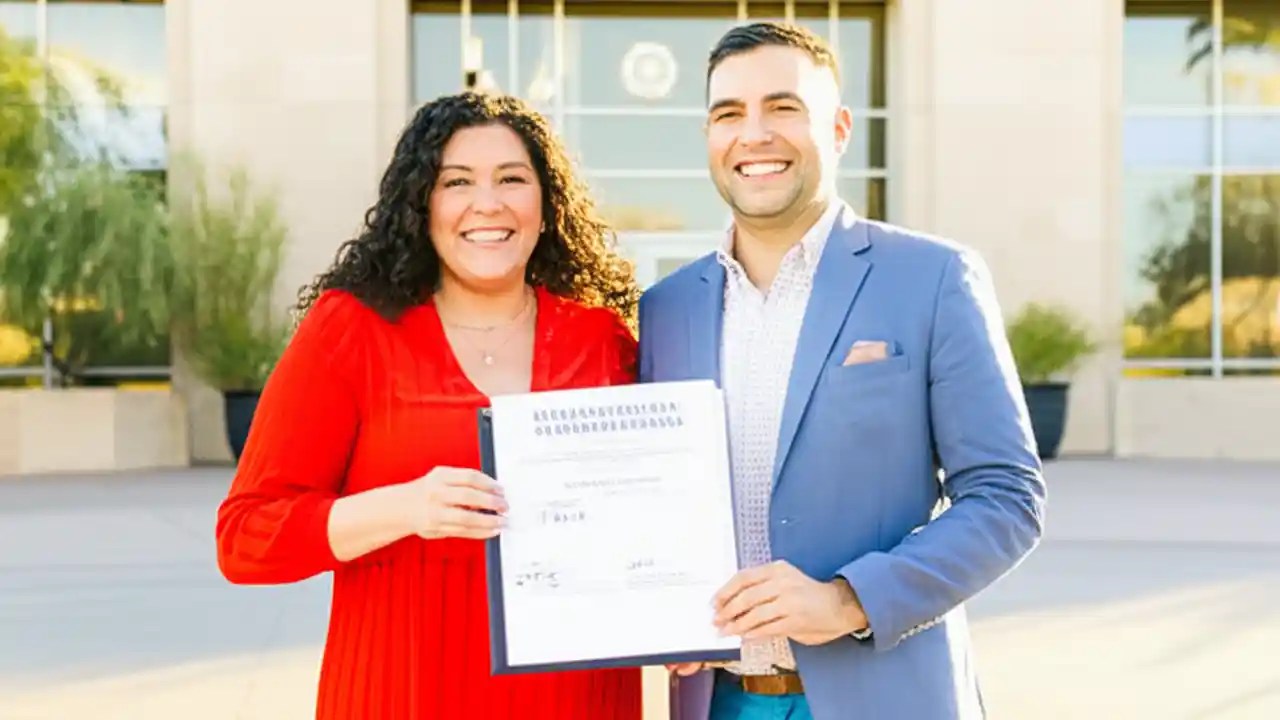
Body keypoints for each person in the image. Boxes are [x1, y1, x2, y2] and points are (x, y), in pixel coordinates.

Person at [637, 22, 1046, 720]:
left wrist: (848, 600)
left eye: (784, 107)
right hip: (719, 702)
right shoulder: (665, 309)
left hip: (886, 697)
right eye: (729, 114)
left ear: (840, 128)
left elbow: (1006, 498)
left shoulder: (933, 278)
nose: (754, 134)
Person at [215, 92, 643, 720]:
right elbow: (246, 538)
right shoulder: (351, 331)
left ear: (546, 207)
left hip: (576, 697)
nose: (487, 203)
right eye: (457, 181)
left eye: (512, 179)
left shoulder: (603, 339)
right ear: (423, 205)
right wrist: (405, 507)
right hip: (404, 692)